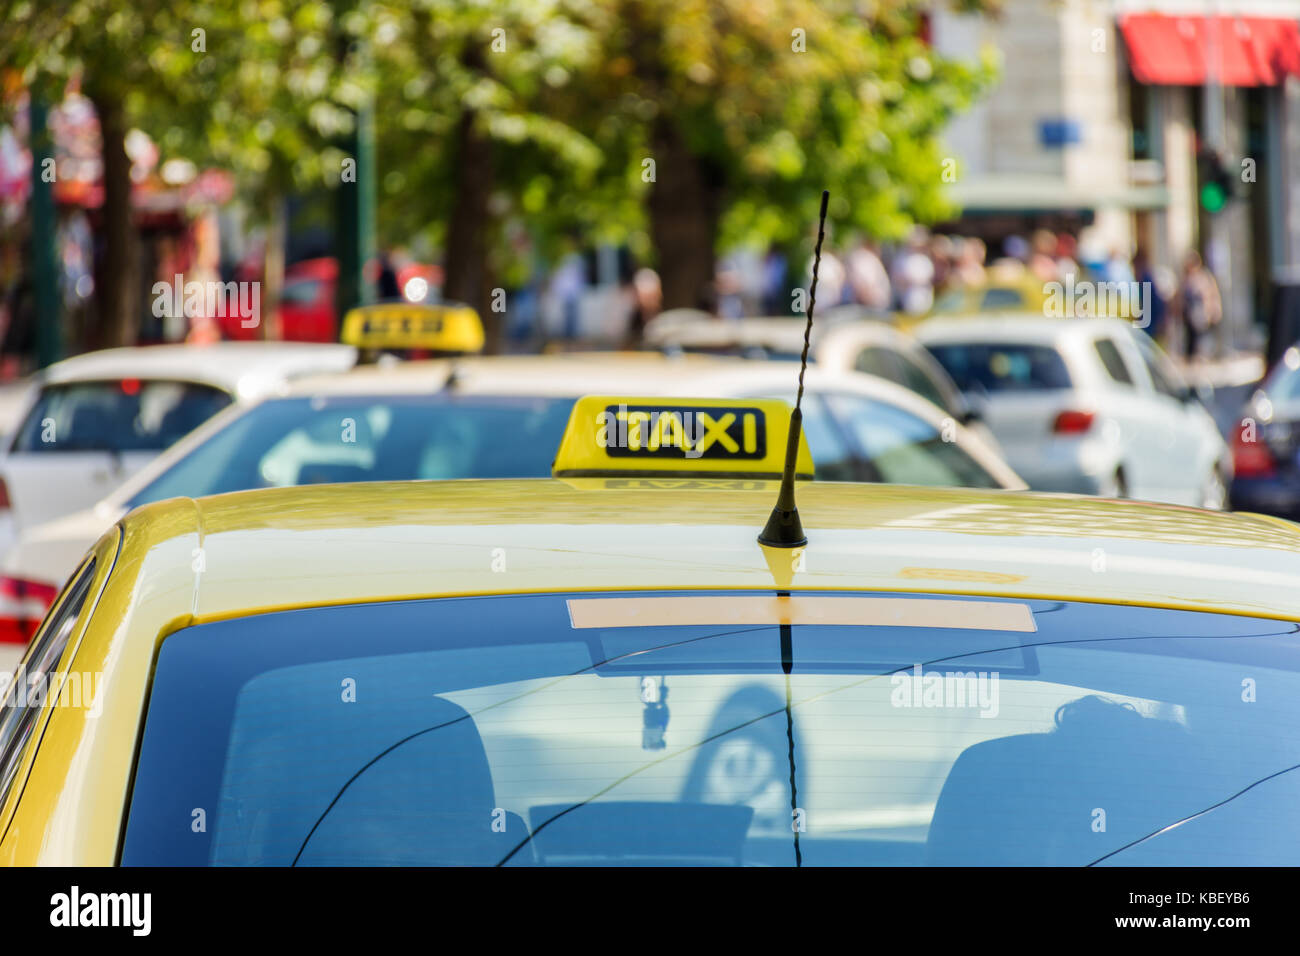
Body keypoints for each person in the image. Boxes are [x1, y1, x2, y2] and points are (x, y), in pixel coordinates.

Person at [1172, 250, 1222, 361]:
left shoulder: (1204, 278)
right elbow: (1178, 298)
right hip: (1188, 318)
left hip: (1201, 317)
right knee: (1190, 344)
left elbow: (1212, 295)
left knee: (1202, 344)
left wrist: (1214, 311)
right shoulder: (1184, 280)